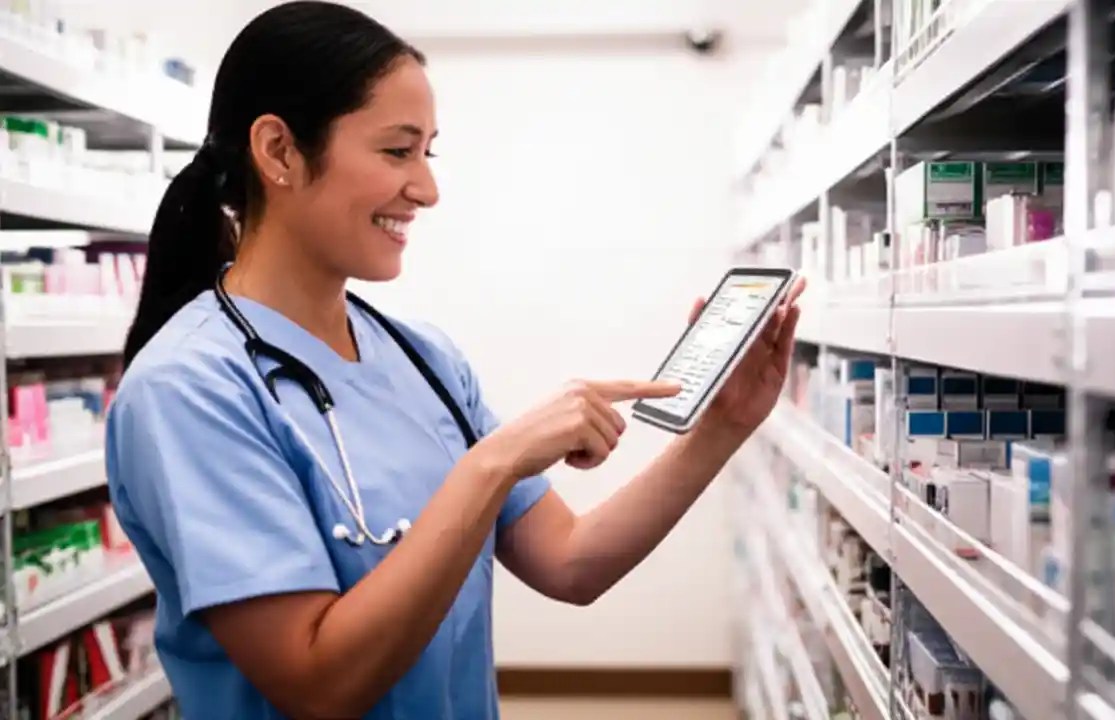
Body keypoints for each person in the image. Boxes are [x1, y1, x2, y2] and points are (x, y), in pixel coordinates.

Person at [105, 2, 804, 719]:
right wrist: (492, 464)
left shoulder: (423, 358)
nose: (428, 190)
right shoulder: (189, 389)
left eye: (427, 153)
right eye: (396, 151)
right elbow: (316, 683)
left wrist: (721, 426)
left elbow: (571, 562)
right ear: (280, 151)